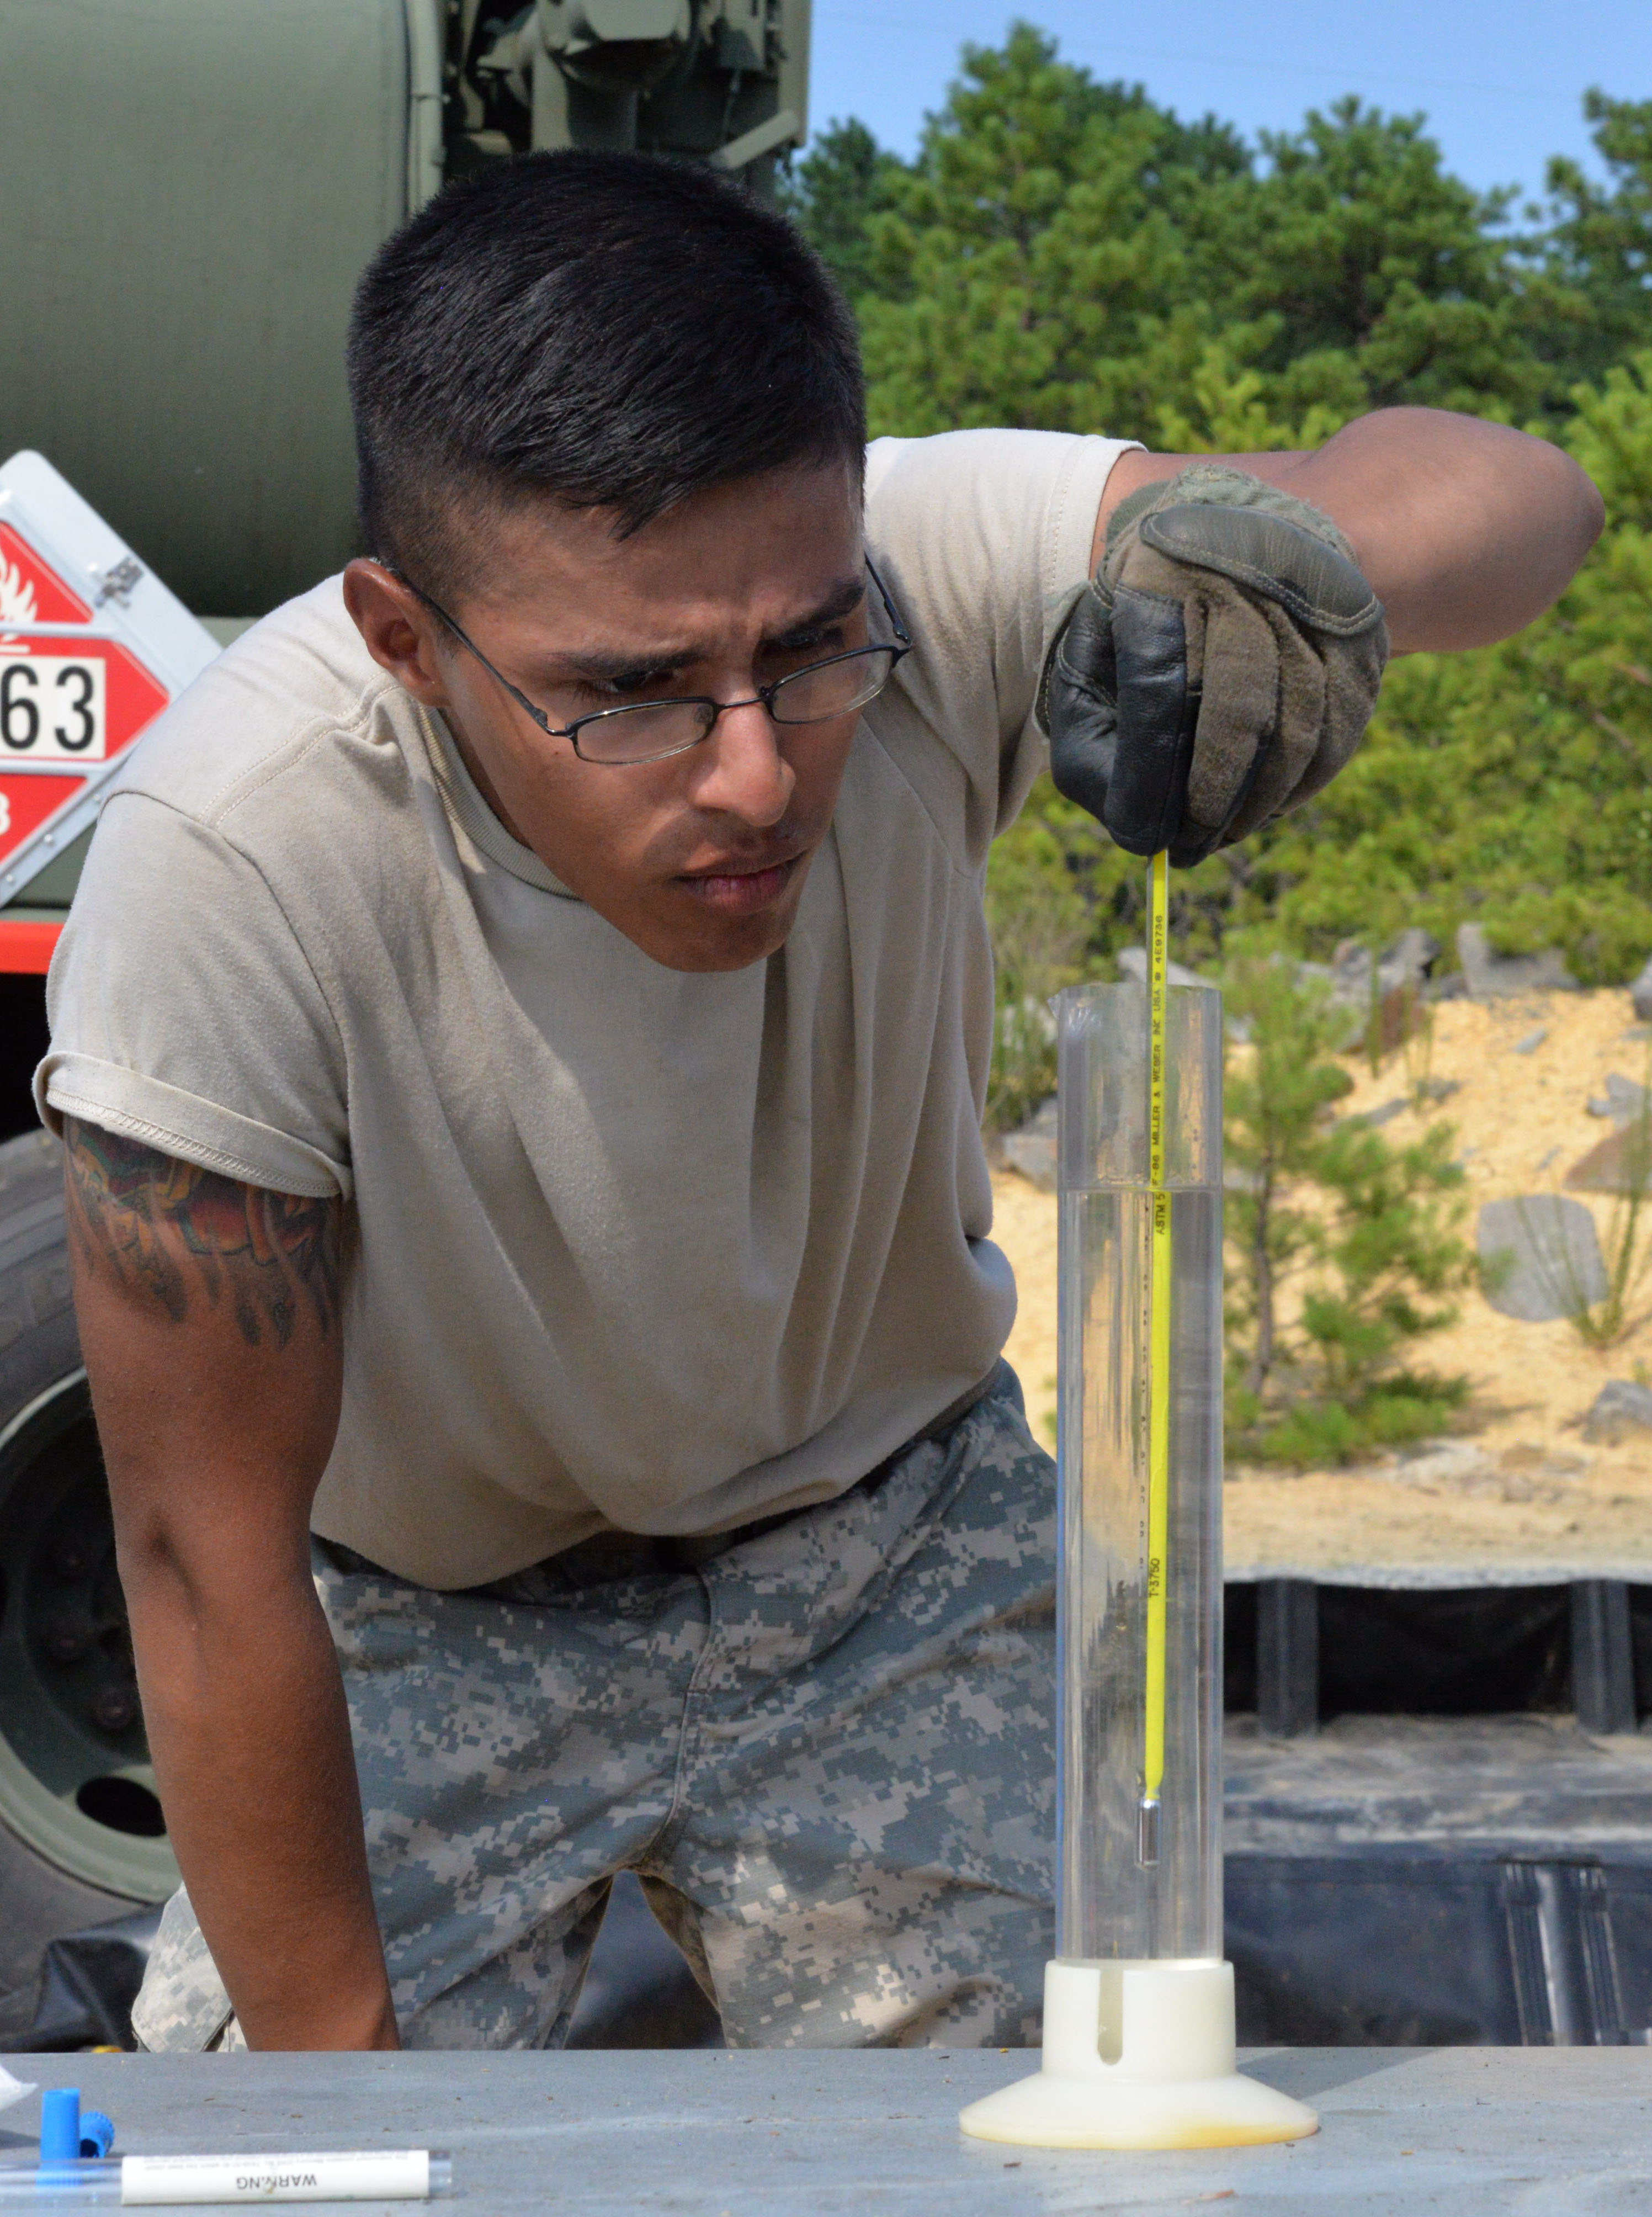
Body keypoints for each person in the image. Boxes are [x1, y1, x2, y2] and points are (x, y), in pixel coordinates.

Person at [40, 151, 1602, 2054]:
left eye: (805, 653)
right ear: (404, 639)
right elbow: (207, 1554)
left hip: (890, 1567)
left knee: (1037, 2142)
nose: (756, 775)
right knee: (290, 2143)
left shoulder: (926, 561)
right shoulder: (231, 861)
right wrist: (330, 2104)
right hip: (422, 1617)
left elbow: (1522, 494)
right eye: (628, 693)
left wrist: (1281, 571)